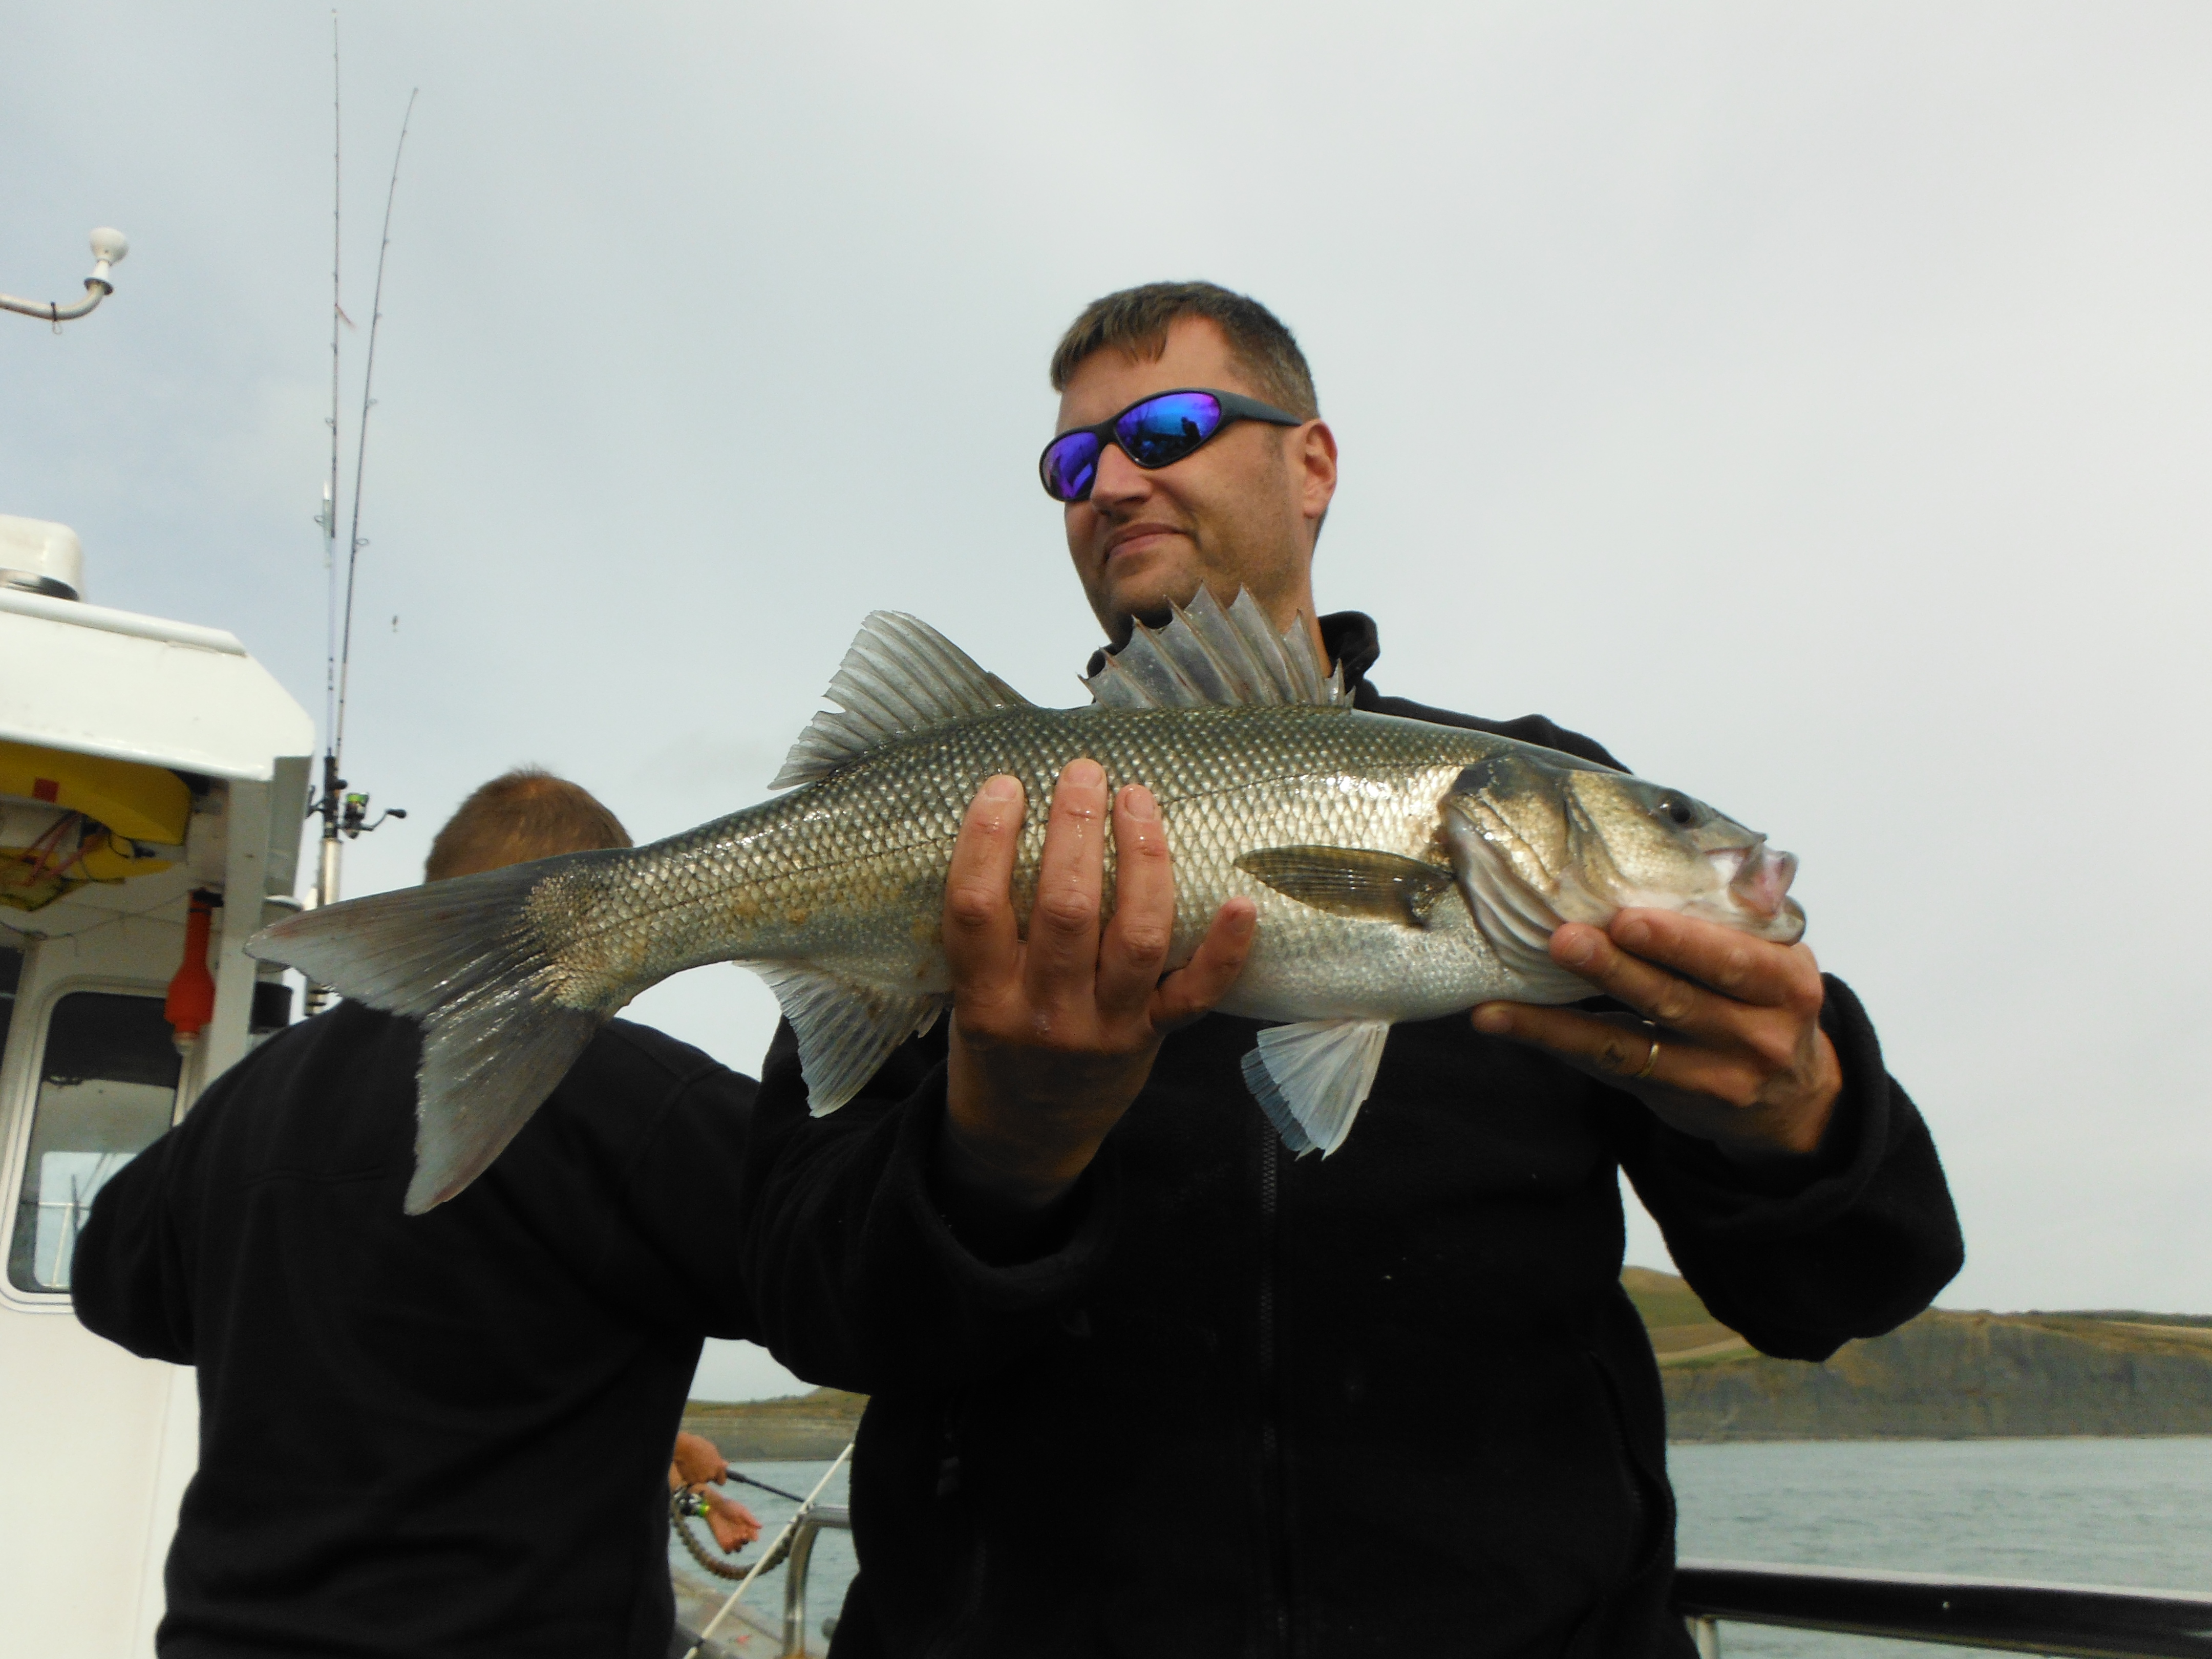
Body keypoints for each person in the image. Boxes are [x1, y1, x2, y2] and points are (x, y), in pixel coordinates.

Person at [737, 283, 1964, 1657]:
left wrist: (1800, 1121)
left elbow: (1852, 1289)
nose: (1114, 481)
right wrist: (998, 1157)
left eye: (1171, 426)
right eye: (1073, 465)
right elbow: (803, 1295)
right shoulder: (985, 823)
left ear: (1310, 462)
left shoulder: (1551, 803)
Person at [73, 769, 763, 1659]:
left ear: (427, 898)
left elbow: (115, 1291)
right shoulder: (630, 1098)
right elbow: (855, 1275)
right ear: (599, 911)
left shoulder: (247, 1101)